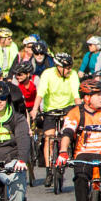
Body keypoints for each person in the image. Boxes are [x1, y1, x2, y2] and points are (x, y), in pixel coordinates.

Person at [33, 52, 80, 186]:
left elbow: (76, 95)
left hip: (68, 108)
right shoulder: (48, 74)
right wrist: (35, 109)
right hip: (51, 109)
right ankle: (49, 170)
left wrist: (81, 111)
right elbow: (40, 92)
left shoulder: (73, 75)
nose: (70, 70)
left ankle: (72, 155)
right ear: (59, 67)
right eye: (67, 67)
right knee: (49, 137)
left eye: (71, 67)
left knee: (70, 133)